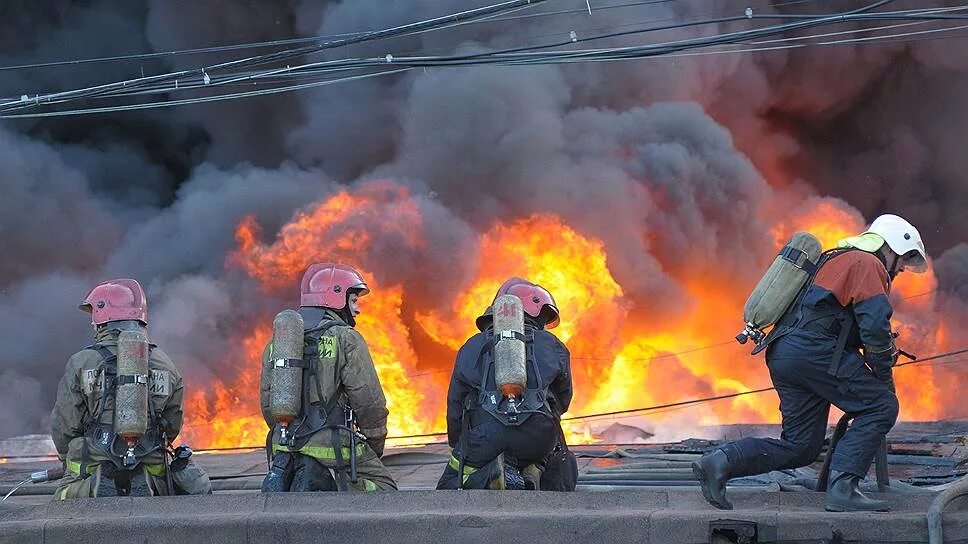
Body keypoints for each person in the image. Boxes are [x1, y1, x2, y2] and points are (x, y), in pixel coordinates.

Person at [694, 214, 927, 512]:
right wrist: (883, 376)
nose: (903, 268)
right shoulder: (867, 264)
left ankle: (719, 462)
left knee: (801, 446)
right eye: (904, 259)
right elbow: (874, 329)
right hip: (815, 353)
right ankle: (843, 489)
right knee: (882, 405)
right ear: (892, 246)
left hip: (785, 354)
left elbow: (840, 319)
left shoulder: (833, 260)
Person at [51, 278, 210, 498]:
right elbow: (173, 423)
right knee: (168, 485)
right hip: (149, 459)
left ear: (101, 319)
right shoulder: (165, 363)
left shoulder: (82, 361)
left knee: (63, 496)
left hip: (95, 460)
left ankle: (92, 486)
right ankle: (148, 482)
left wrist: (65, 457)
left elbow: (65, 423)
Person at [260, 263, 396, 492]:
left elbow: (267, 403)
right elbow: (370, 403)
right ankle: (329, 489)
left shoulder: (278, 343)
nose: (357, 309)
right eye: (353, 300)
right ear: (335, 298)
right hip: (333, 447)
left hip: (284, 447)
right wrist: (374, 444)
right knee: (385, 490)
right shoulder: (346, 339)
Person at [437, 278, 576, 490]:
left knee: (450, 484)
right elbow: (562, 401)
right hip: (537, 434)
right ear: (537, 316)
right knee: (554, 444)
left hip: (485, 435)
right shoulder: (553, 345)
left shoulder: (472, 345)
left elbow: (456, 403)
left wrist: (459, 445)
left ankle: (491, 475)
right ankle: (534, 469)